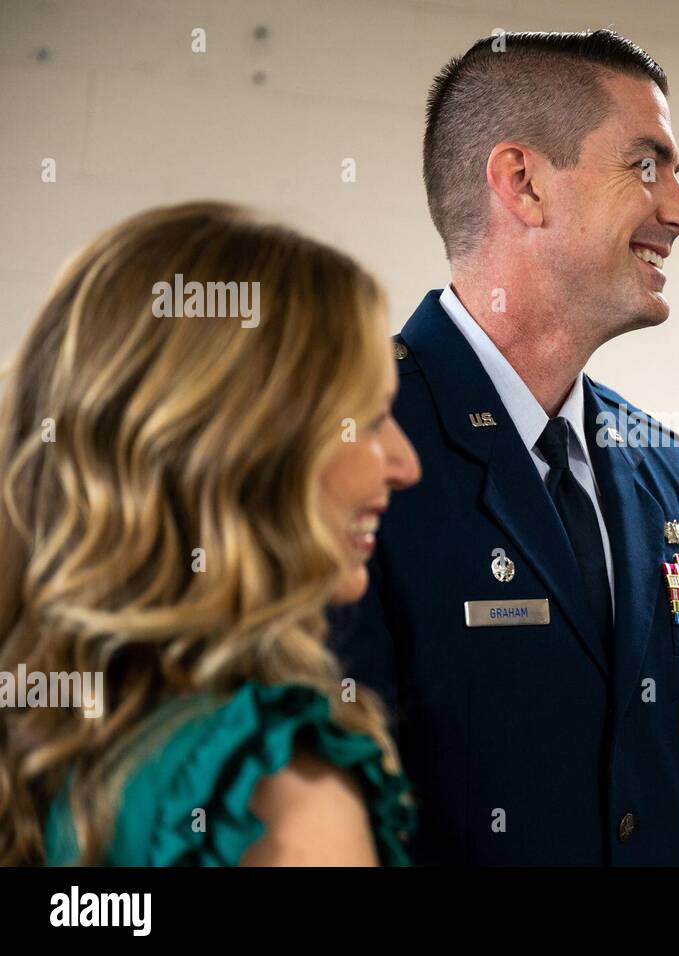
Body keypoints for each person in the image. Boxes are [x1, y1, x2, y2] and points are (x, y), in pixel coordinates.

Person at [329, 30, 679, 865]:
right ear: (522, 183)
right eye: (647, 166)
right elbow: (339, 805)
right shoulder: (344, 441)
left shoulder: (664, 467)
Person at [0, 201, 422, 865]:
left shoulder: (52, 735)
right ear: (243, 453)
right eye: (368, 420)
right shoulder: (277, 797)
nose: (406, 465)